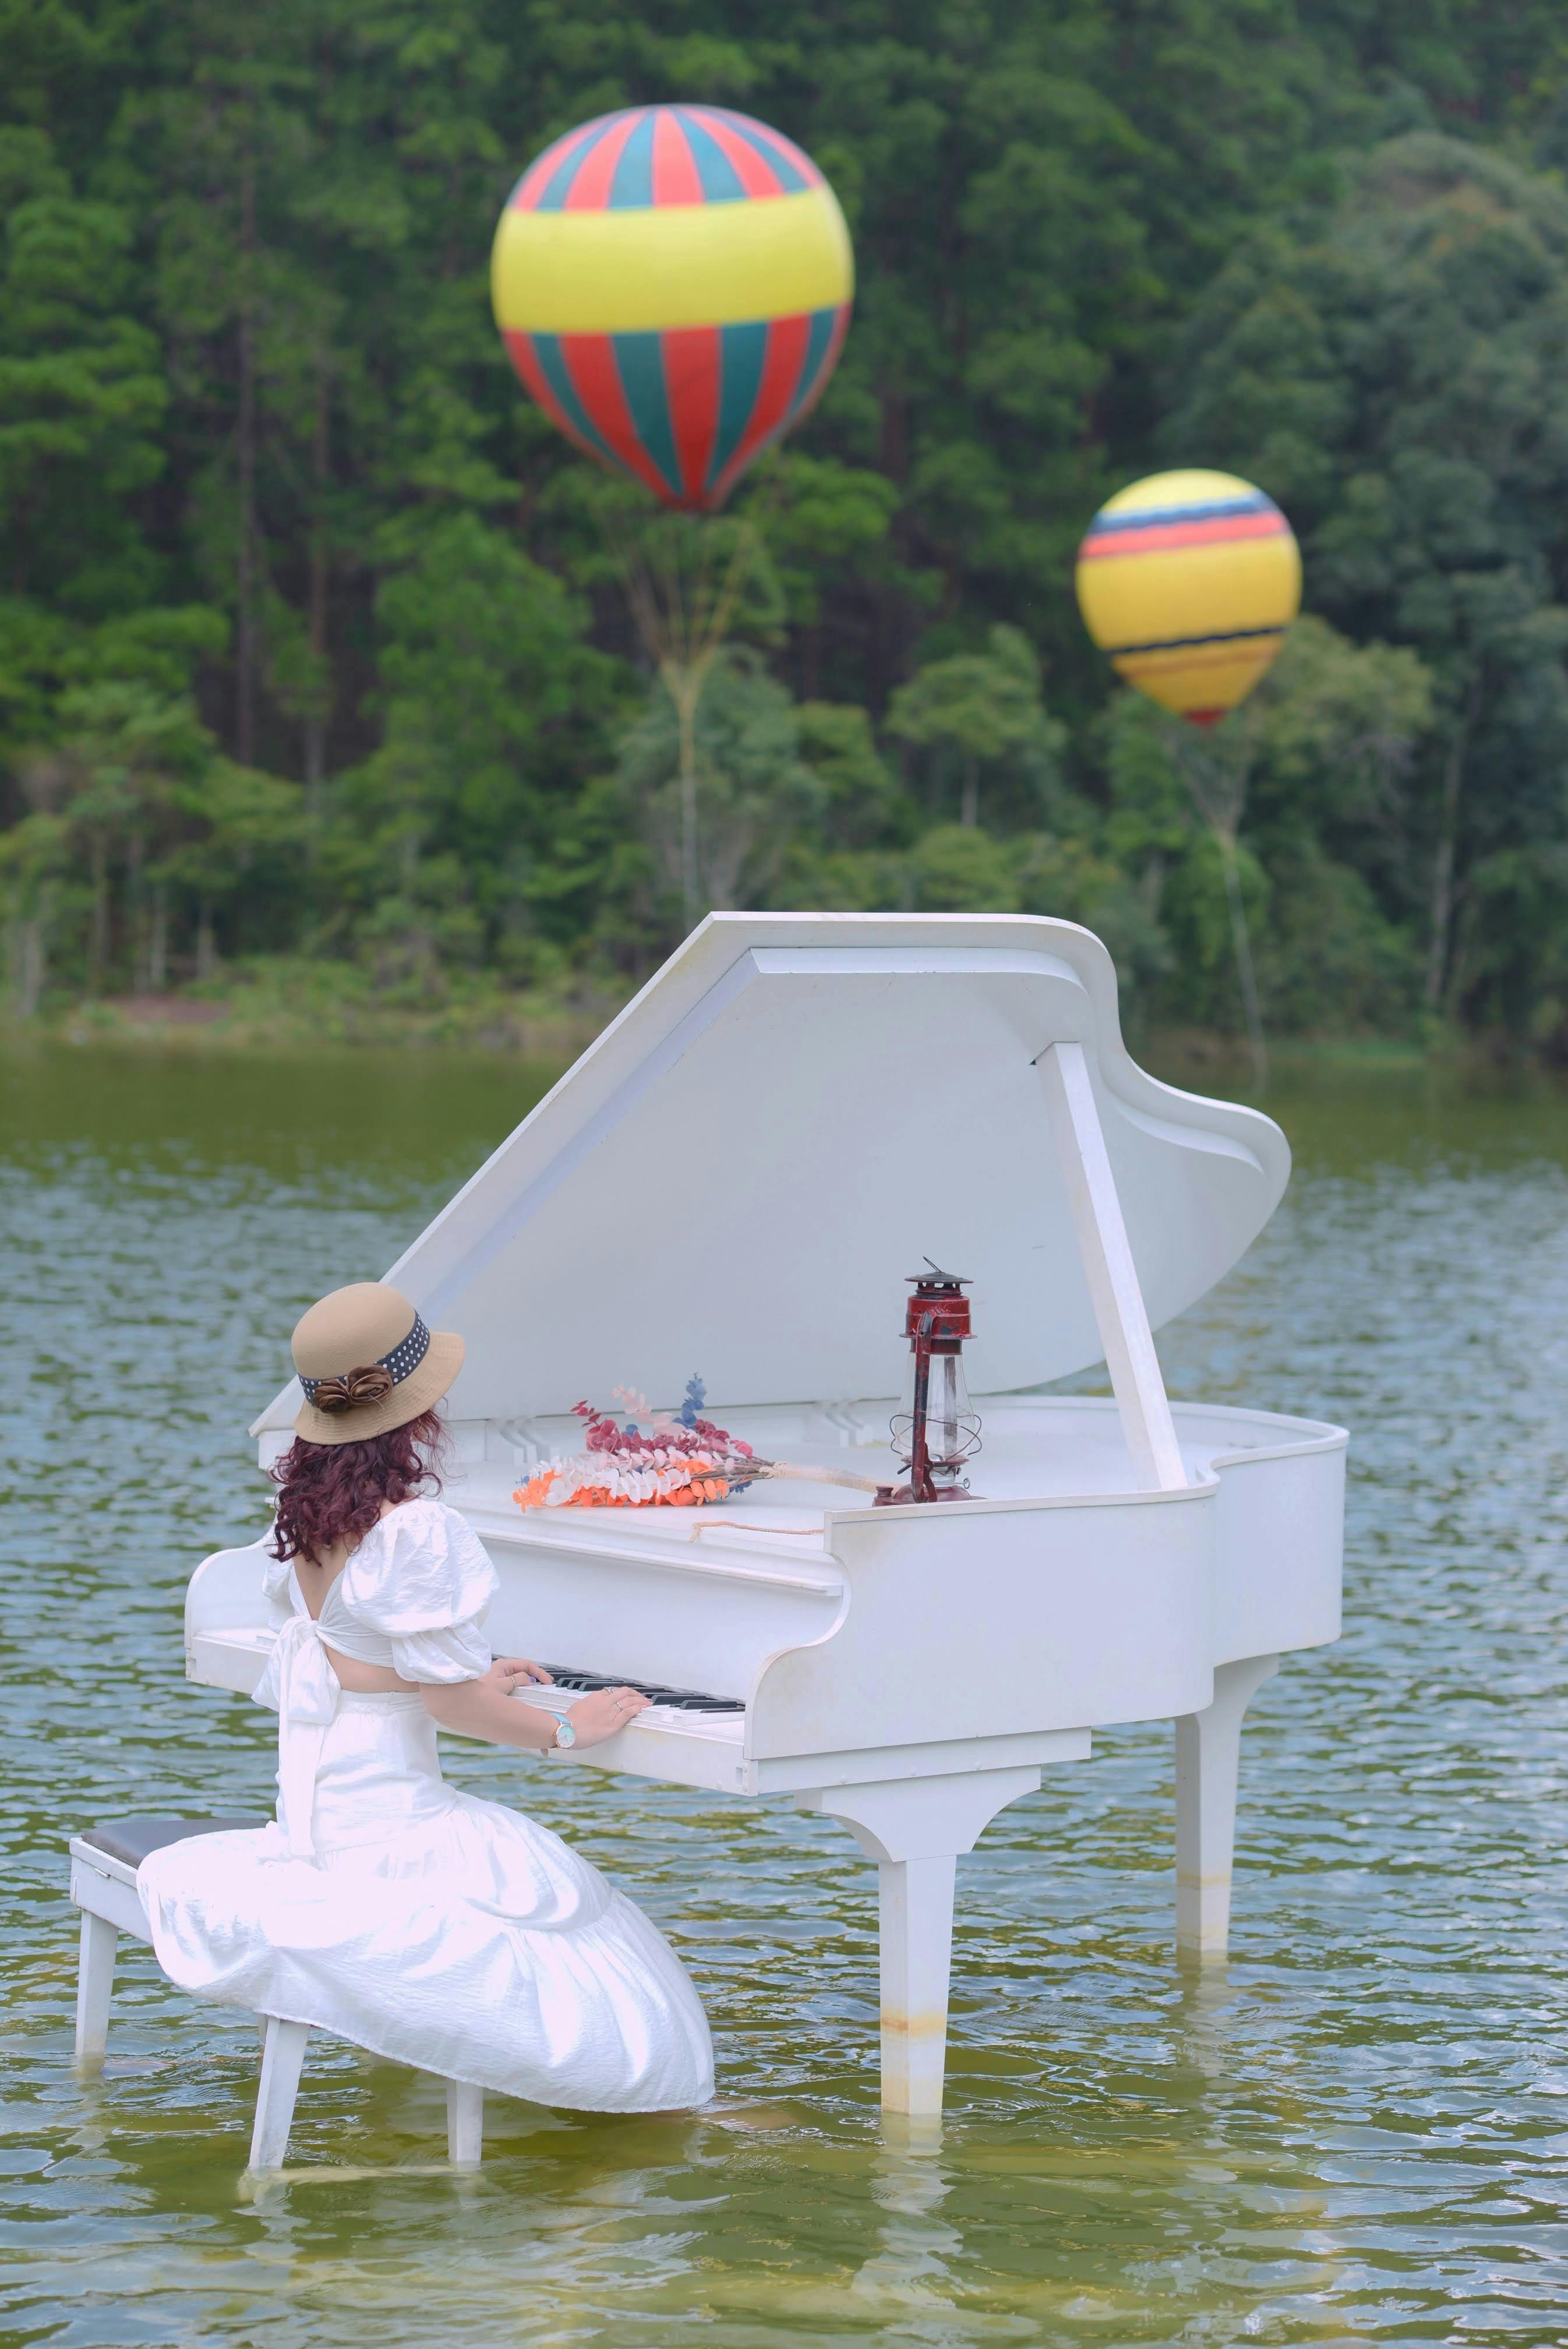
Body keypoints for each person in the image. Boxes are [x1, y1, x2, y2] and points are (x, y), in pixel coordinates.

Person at [138, 1281, 714, 2114]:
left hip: (319, 1829)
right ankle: (640, 2106)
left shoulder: (304, 1512)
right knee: (557, 1904)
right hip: (388, 1838)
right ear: (418, 1413)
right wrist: (569, 1731)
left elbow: (355, 1661)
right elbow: (451, 1712)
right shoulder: (415, 1528)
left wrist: (463, 1671)